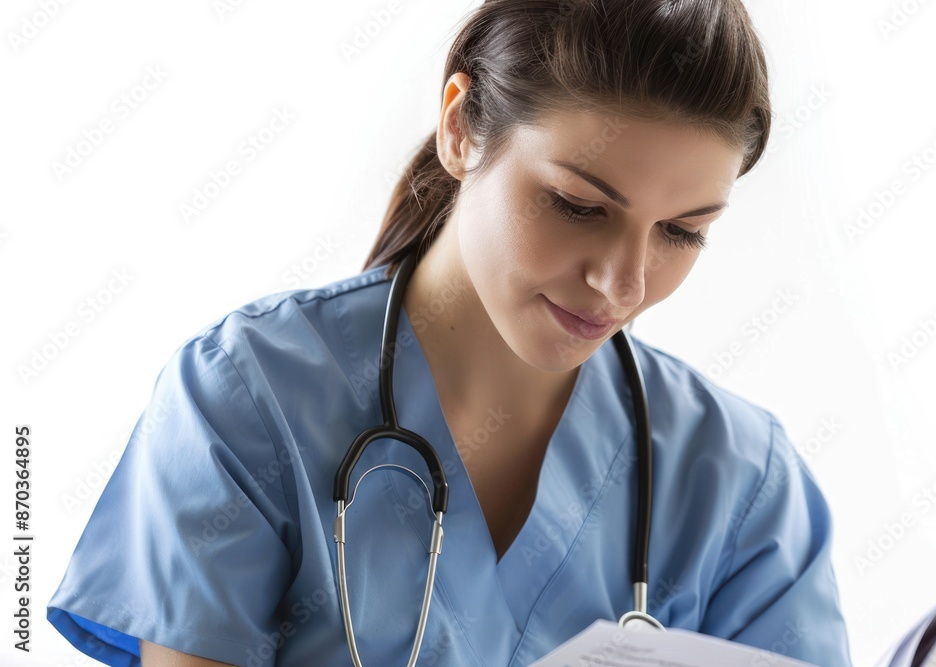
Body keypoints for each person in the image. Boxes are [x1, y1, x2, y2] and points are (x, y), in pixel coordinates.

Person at [46, 0, 854, 665]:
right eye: (578, 206)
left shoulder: (742, 482)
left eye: (682, 231)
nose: (622, 283)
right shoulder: (247, 398)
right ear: (462, 125)